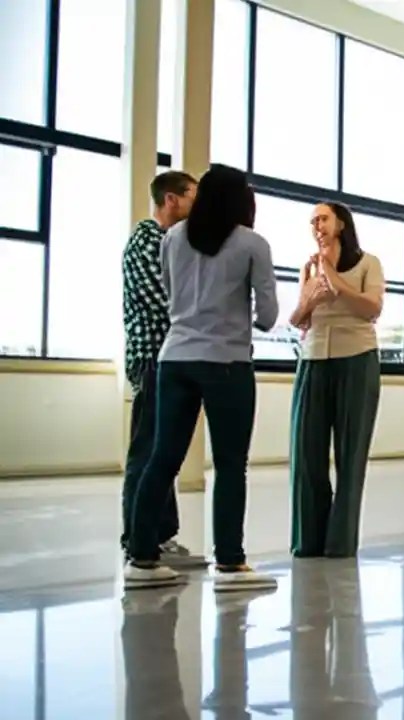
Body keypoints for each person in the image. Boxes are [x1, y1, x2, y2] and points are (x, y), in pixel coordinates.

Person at [123, 164, 279, 592]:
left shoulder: (172, 238)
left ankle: (141, 559)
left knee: (161, 460)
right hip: (227, 363)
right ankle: (230, 564)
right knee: (230, 465)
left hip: (174, 359)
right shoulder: (251, 243)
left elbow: (173, 296)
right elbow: (267, 318)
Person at [120, 170, 207, 569]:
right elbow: (170, 302)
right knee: (148, 452)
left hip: (168, 358)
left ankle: (160, 535)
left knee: (162, 451)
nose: (197, 204)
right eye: (193, 196)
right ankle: (138, 539)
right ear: (171, 199)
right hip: (153, 358)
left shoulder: (170, 242)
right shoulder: (147, 241)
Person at [288, 201, 384, 559]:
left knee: (351, 452)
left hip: (356, 359)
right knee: (306, 453)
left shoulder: (367, 263)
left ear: (340, 224)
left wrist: (335, 281)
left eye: (323, 219)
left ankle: (340, 543)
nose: (317, 226)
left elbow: (371, 309)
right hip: (313, 360)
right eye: (312, 221)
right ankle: (307, 540)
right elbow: (298, 320)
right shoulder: (307, 268)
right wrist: (310, 298)